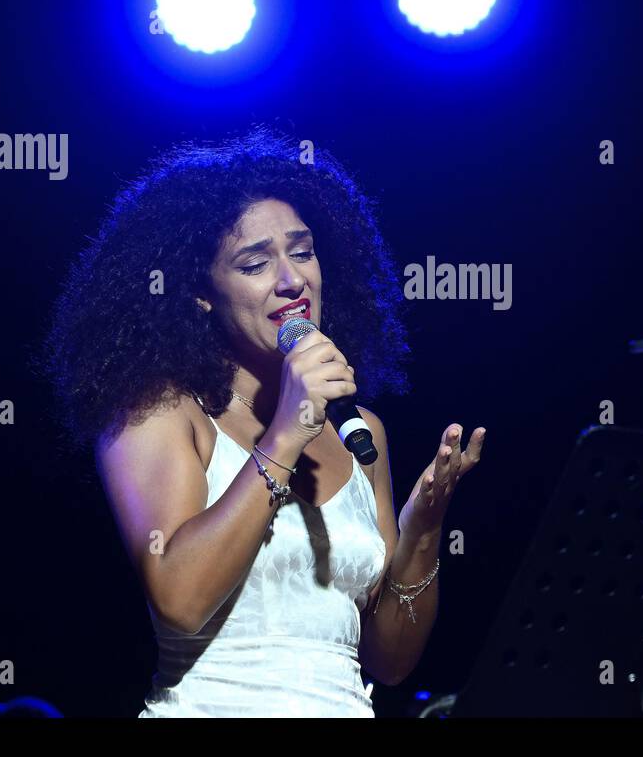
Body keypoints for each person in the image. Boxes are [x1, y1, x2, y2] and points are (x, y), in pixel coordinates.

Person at [37, 126, 485, 716]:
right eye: (255, 263)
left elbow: (389, 661)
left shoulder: (359, 431)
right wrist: (287, 431)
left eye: (302, 252)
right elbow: (179, 596)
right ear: (202, 293)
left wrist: (423, 530)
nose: (292, 280)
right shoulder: (159, 410)